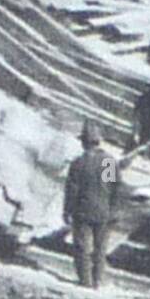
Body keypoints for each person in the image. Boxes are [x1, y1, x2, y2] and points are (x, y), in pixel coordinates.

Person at [63, 120, 119, 289]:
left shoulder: (78, 163)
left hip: (83, 211)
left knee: (82, 247)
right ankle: (97, 281)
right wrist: (113, 210)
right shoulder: (107, 162)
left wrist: (67, 211)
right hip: (104, 210)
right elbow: (114, 188)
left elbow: (72, 190)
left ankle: (85, 281)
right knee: (100, 248)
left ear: (84, 142)